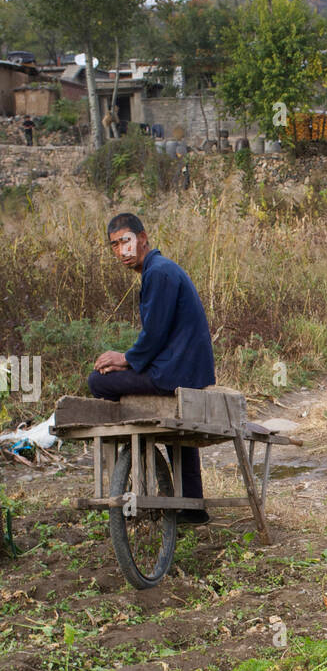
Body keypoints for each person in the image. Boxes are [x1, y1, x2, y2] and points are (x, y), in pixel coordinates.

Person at [87, 213, 215, 524]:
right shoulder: (161, 270)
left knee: (97, 381)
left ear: (143, 238)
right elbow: (161, 333)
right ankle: (192, 509)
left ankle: (136, 443)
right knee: (179, 432)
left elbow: (155, 333)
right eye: (114, 245)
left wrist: (126, 358)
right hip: (186, 370)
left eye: (126, 241)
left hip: (175, 372)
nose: (121, 251)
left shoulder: (158, 273)